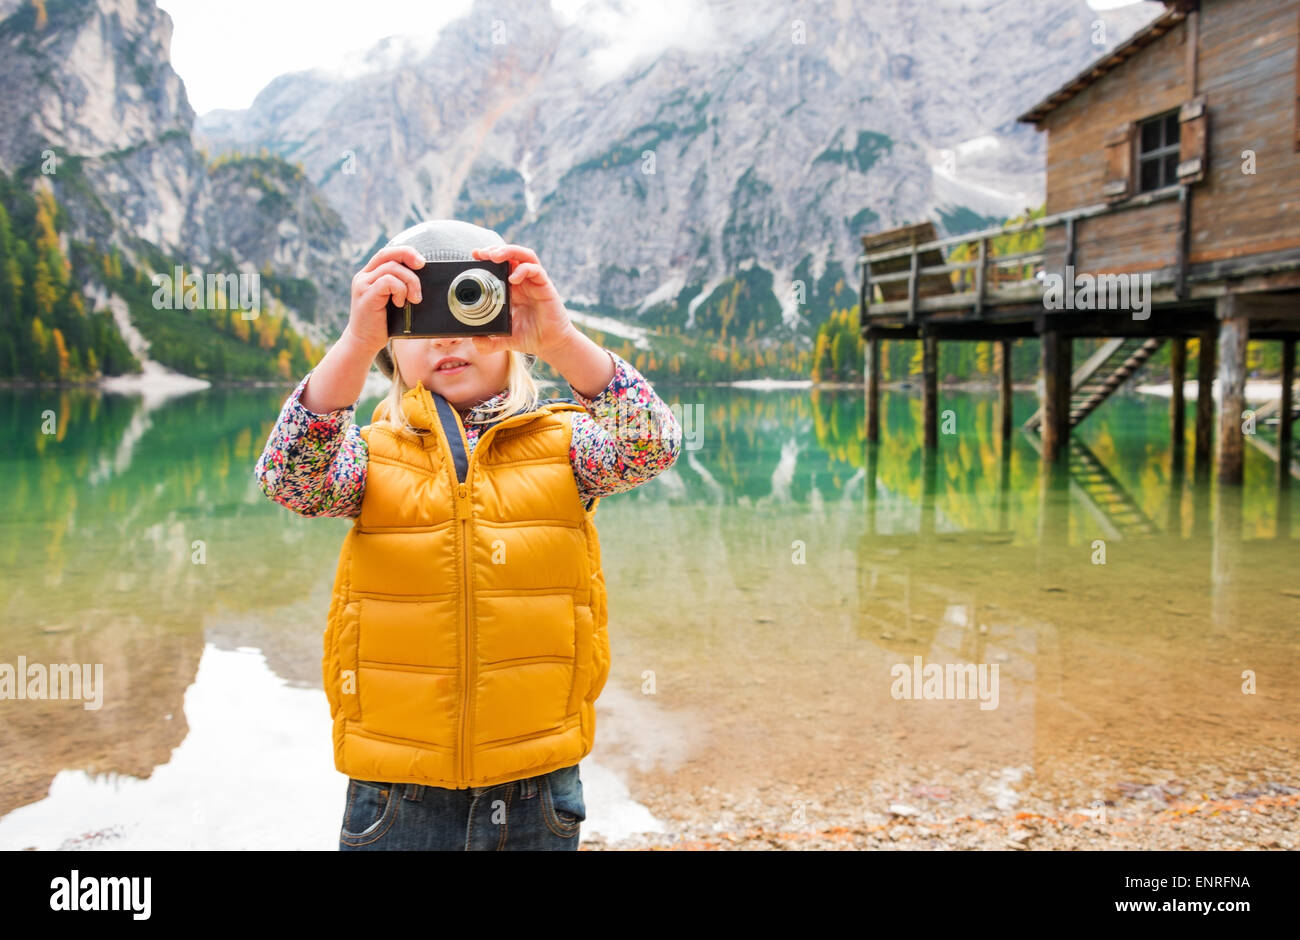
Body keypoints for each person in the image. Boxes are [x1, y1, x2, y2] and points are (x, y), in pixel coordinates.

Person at [254, 219, 681, 849]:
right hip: (398, 785)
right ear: (391, 351)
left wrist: (559, 339)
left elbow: (650, 444)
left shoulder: (566, 448)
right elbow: (291, 480)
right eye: (418, 318)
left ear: (512, 333)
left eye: (471, 305)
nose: (449, 334)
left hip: (536, 780)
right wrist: (352, 341)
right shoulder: (369, 458)